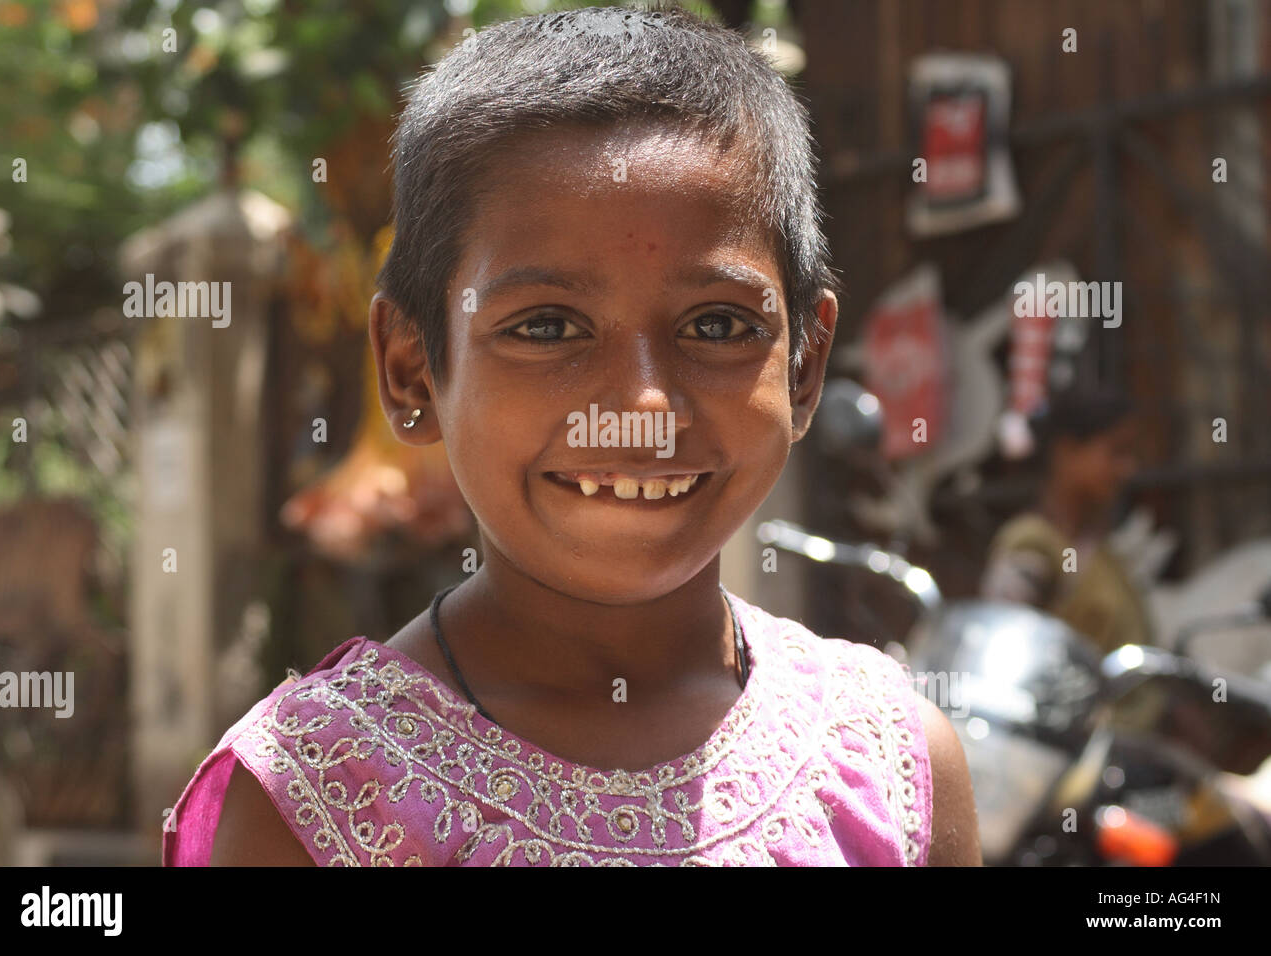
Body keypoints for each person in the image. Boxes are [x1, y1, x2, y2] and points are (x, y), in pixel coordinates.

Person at [164, 3, 979, 867]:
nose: (643, 407)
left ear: (804, 365)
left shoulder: (892, 761)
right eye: (548, 328)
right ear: (412, 370)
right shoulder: (316, 794)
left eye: (716, 326)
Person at [980, 386, 1152, 653]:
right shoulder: (1033, 543)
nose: (1128, 469)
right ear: (1067, 451)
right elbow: (1003, 645)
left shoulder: (1097, 547)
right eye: (1117, 451)